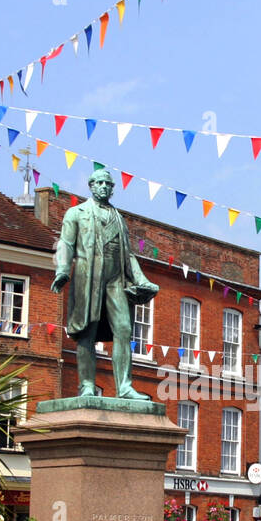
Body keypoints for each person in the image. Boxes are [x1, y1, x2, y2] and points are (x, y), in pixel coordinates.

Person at [51, 167, 160, 399]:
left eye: (108, 184)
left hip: (115, 280)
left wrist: (142, 280)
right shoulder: (76, 213)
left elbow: (129, 255)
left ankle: (125, 387)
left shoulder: (119, 219)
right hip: (87, 275)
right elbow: (66, 244)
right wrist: (62, 270)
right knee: (86, 331)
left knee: (124, 329)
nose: (103, 187)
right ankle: (87, 385)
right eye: (99, 183)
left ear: (112, 189)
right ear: (91, 186)